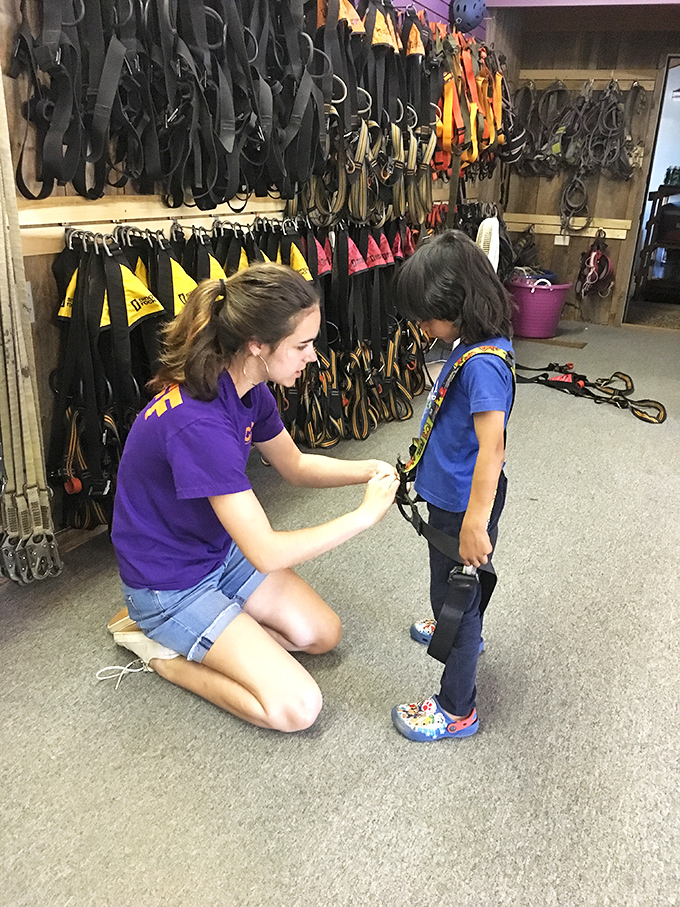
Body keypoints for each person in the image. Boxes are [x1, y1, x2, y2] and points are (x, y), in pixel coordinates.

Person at [104, 262, 399, 732]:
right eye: (302, 346)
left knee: (323, 635)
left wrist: (369, 469)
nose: (313, 357)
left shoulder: (247, 386)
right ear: (257, 346)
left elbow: (295, 466)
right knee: (297, 708)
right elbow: (265, 550)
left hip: (218, 554)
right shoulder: (199, 422)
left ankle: (217, 632)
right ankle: (159, 651)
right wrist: (363, 517)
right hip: (170, 583)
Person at [390, 230, 515, 742]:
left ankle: (456, 708)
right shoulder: (471, 345)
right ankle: (458, 621)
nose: (420, 327)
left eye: (425, 315)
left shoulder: (483, 365)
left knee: (456, 601)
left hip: (465, 506)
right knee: (450, 590)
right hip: (451, 496)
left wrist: (474, 523)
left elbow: (493, 449)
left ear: (457, 304)